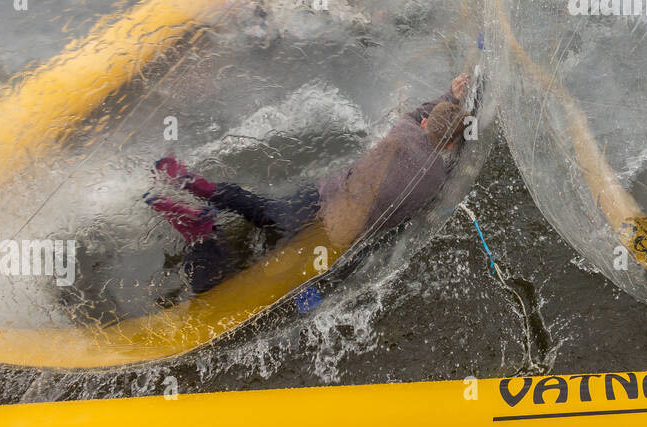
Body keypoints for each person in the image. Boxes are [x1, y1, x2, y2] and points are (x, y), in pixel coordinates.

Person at [148, 73, 472, 294]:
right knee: (270, 280)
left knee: (263, 209)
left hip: (318, 199)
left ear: (425, 123)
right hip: (337, 236)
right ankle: (203, 233)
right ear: (449, 147)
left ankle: (192, 183)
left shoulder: (403, 128)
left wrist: (450, 95)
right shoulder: (436, 180)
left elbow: (418, 114)